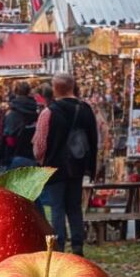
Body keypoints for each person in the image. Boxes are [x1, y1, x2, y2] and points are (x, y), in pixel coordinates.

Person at [34, 73, 98, 256]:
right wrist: (91, 166)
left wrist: (41, 162)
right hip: (77, 165)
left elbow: (40, 144)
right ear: (73, 86)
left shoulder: (49, 112)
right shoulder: (85, 109)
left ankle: (59, 246)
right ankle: (78, 245)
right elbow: (93, 140)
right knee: (74, 206)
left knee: (57, 208)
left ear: (55, 89)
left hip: (54, 167)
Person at [2, 81, 40, 170]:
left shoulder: (12, 114)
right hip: (33, 155)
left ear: (15, 92)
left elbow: (9, 139)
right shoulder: (36, 110)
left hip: (15, 156)